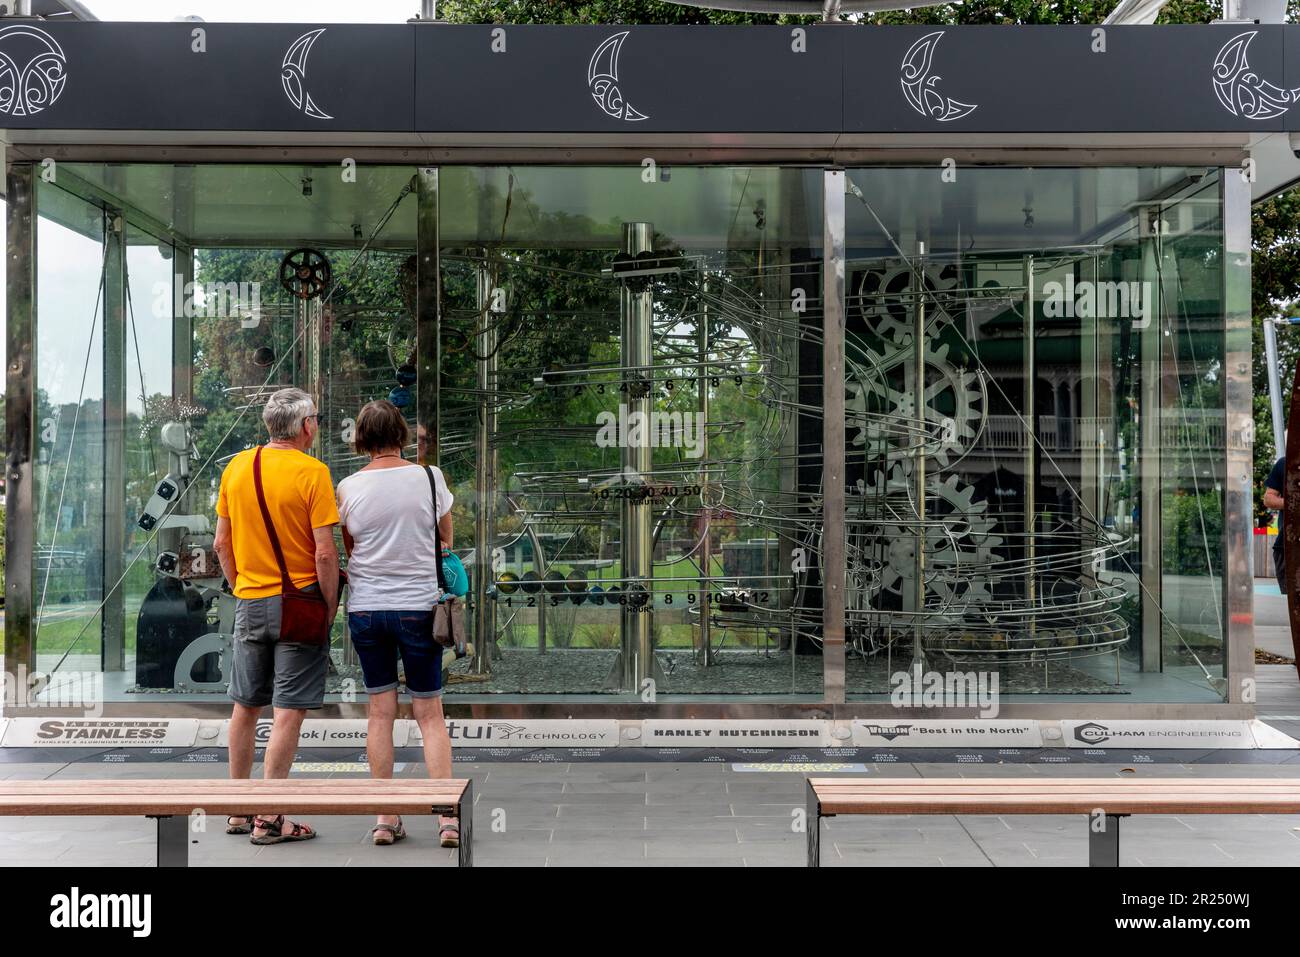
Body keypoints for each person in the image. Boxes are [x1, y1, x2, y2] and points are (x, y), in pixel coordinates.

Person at [213, 388, 341, 845]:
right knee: (287, 711)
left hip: (250, 601)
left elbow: (221, 545)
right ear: (306, 425)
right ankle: (270, 818)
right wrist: (328, 607)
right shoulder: (314, 473)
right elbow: (325, 554)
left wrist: (240, 585)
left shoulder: (236, 467)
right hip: (300, 602)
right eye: (318, 420)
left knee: (245, 706)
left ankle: (238, 809)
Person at [337, 400, 459, 847]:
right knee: (429, 713)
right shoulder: (430, 478)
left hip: (367, 609)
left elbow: (350, 548)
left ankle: (386, 818)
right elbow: (445, 539)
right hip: (419, 608)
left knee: (379, 712)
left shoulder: (347, 486)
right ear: (403, 435)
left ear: (362, 438)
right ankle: (447, 818)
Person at [1265, 455, 1287, 594]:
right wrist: (1293, 502)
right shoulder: (1285, 463)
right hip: (1288, 546)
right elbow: (1268, 499)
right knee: (1295, 604)